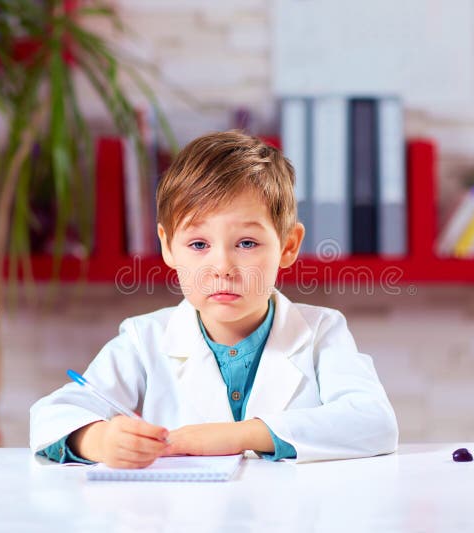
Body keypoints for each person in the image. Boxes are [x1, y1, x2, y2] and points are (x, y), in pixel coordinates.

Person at [30, 131, 398, 467]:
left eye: (247, 243)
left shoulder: (321, 331)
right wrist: (100, 439)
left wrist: (236, 435)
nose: (222, 267)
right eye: (199, 244)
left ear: (288, 246)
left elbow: (374, 421)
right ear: (168, 247)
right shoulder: (145, 339)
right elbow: (51, 414)